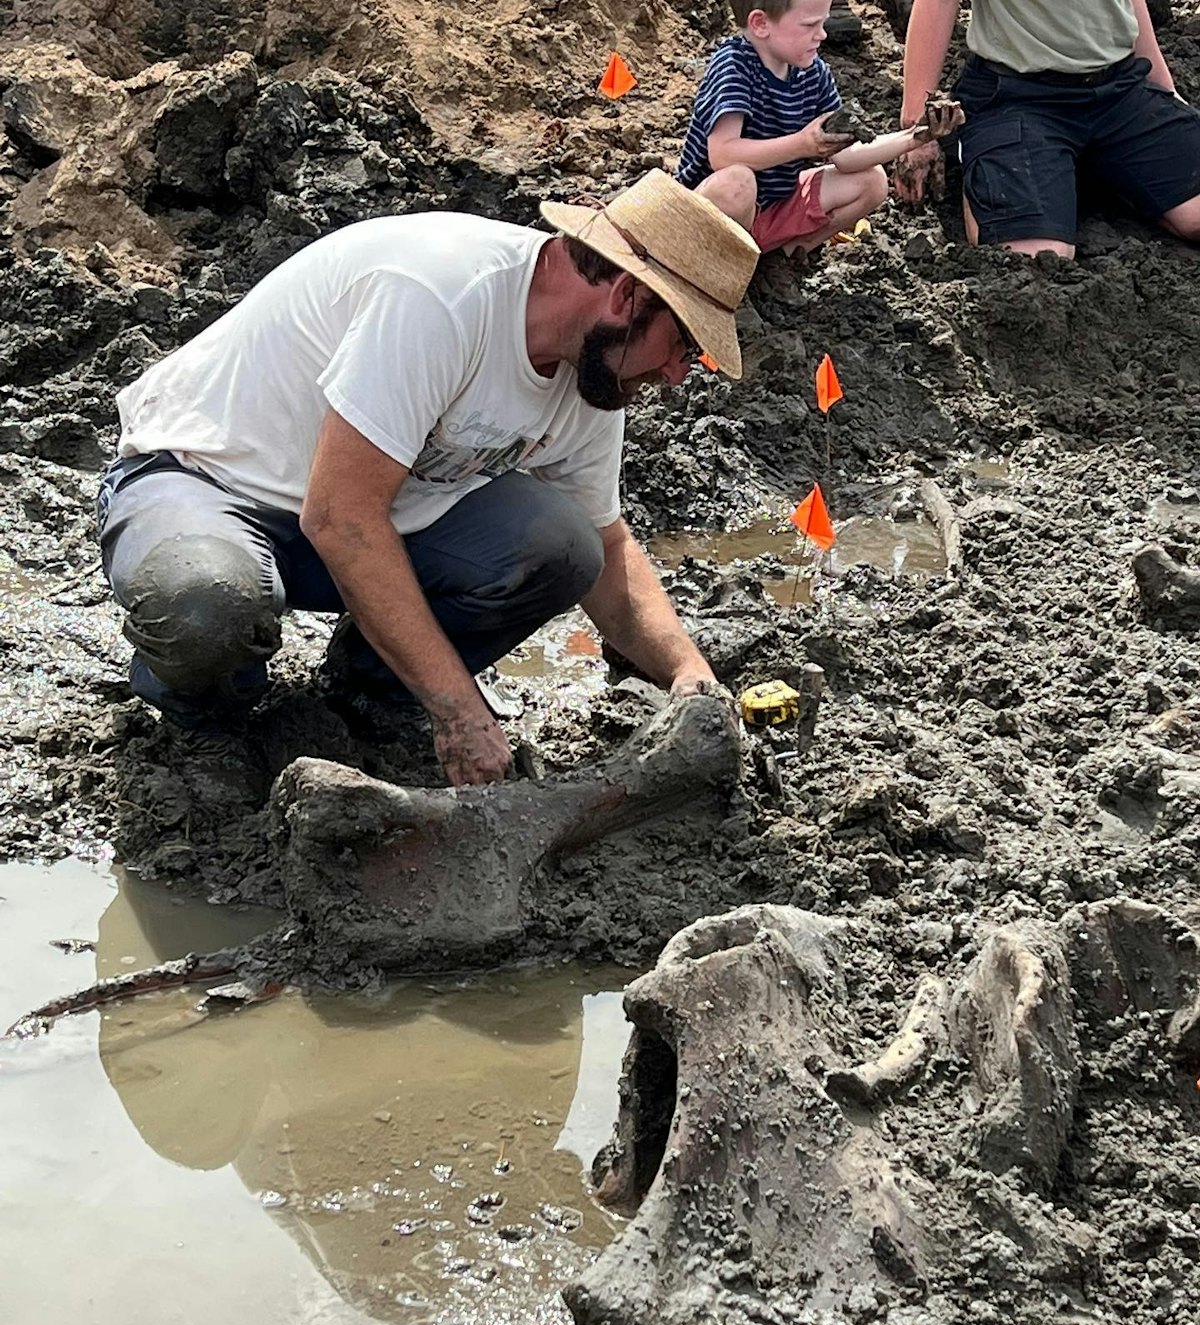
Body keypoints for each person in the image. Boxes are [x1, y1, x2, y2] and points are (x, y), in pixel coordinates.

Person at [96, 170, 759, 789]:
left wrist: (689, 674)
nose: (676, 375)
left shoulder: (591, 370)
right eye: (682, 346)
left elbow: (607, 547)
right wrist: (461, 713)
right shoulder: (444, 294)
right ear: (627, 295)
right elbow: (341, 517)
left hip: (359, 522)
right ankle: (205, 721)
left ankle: (368, 693)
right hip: (208, 481)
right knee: (206, 606)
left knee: (563, 548)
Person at [895, 0, 1200, 257]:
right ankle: (1002, 170)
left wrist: (1166, 94)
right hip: (1016, 95)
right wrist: (917, 128)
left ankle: (1079, 170)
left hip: (1119, 88)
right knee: (1036, 256)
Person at [676, 0, 963, 257]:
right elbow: (723, 155)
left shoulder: (813, 73)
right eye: (810, 25)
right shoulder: (734, 66)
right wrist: (802, 145)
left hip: (772, 205)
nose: (822, 34)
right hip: (709, 215)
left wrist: (917, 136)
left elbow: (847, 156)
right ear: (761, 24)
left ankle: (780, 259)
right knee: (737, 183)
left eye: (823, 22)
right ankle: (714, 274)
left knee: (872, 181)